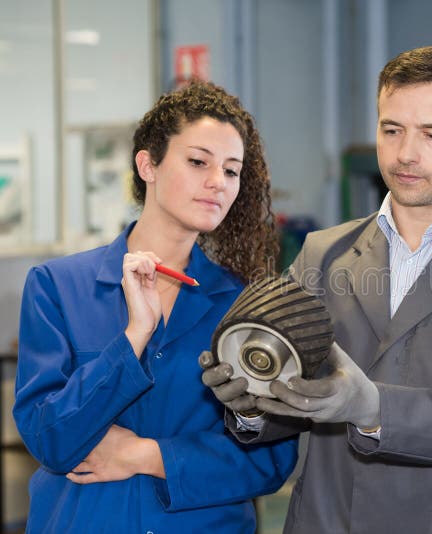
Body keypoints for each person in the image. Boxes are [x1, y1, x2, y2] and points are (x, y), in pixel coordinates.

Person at [201, 46, 432, 533]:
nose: (405, 153)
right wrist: (250, 402)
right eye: (391, 130)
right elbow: (298, 395)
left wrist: (371, 405)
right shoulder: (321, 255)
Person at [13, 81, 298, 533]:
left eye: (231, 170)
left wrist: (148, 456)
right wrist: (133, 337)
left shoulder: (246, 305)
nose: (216, 183)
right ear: (148, 164)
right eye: (197, 161)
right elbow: (50, 438)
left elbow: (270, 460)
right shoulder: (57, 288)